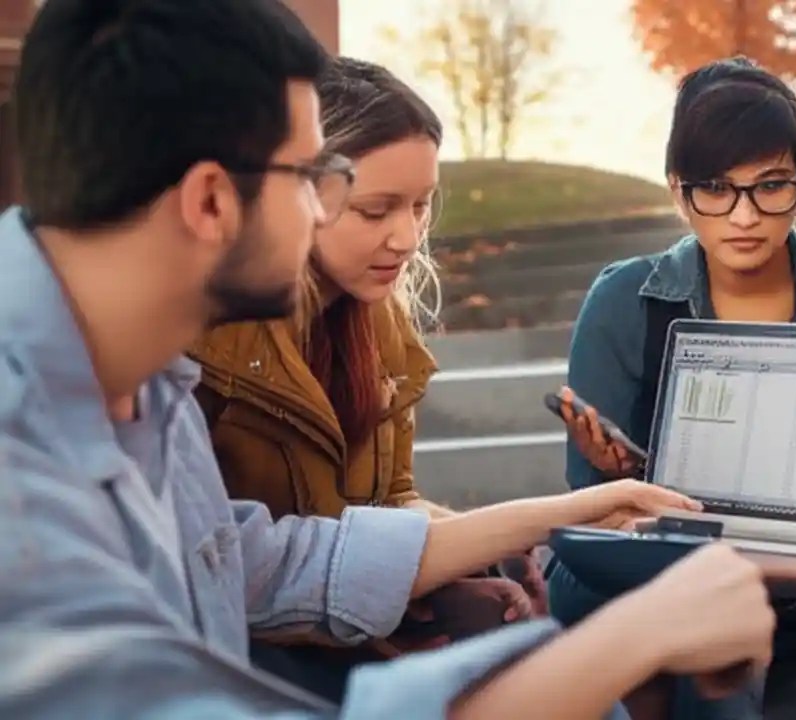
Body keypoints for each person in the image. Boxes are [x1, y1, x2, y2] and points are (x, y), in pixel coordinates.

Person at [0, 2, 796, 718]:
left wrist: (560, 515)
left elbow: (256, 563)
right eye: (314, 180)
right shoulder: (19, 474)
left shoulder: (146, 386)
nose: (328, 213)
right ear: (213, 200)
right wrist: (636, 633)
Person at [546, 56, 796, 719]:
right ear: (677, 189)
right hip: (645, 569)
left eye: (771, 185)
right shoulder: (625, 300)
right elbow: (589, 511)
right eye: (716, 188)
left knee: (729, 599)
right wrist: (629, 481)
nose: (744, 215)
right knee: (689, 592)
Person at [187, 55, 546, 698]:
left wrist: (467, 565)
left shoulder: (380, 330)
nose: (407, 238)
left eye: (421, 207)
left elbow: (389, 498)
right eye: (376, 210)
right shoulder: (203, 342)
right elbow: (232, 567)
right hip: (241, 646)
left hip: (346, 622)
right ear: (302, 194)